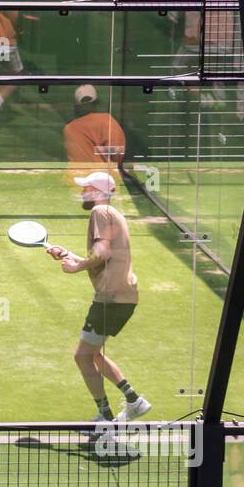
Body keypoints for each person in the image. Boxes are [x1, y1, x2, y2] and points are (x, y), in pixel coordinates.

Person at [46, 170, 150, 422]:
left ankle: (105, 417)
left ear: (97, 192)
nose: (82, 192)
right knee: (93, 353)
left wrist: (76, 267)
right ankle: (134, 400)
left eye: (86, 188)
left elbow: (101, 253)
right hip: (123, 298)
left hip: (110, 300)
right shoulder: (113, 214)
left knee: (82, 356)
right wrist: (67, 255)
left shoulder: (99, 212)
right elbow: (103, 257)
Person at [63, 84, 126, 183]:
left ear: (76, 107)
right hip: (106, 180)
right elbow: (118, 153)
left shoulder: (69, 128)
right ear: (96, 103)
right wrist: (98, 151)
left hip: (77, 181)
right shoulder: (107, 121)